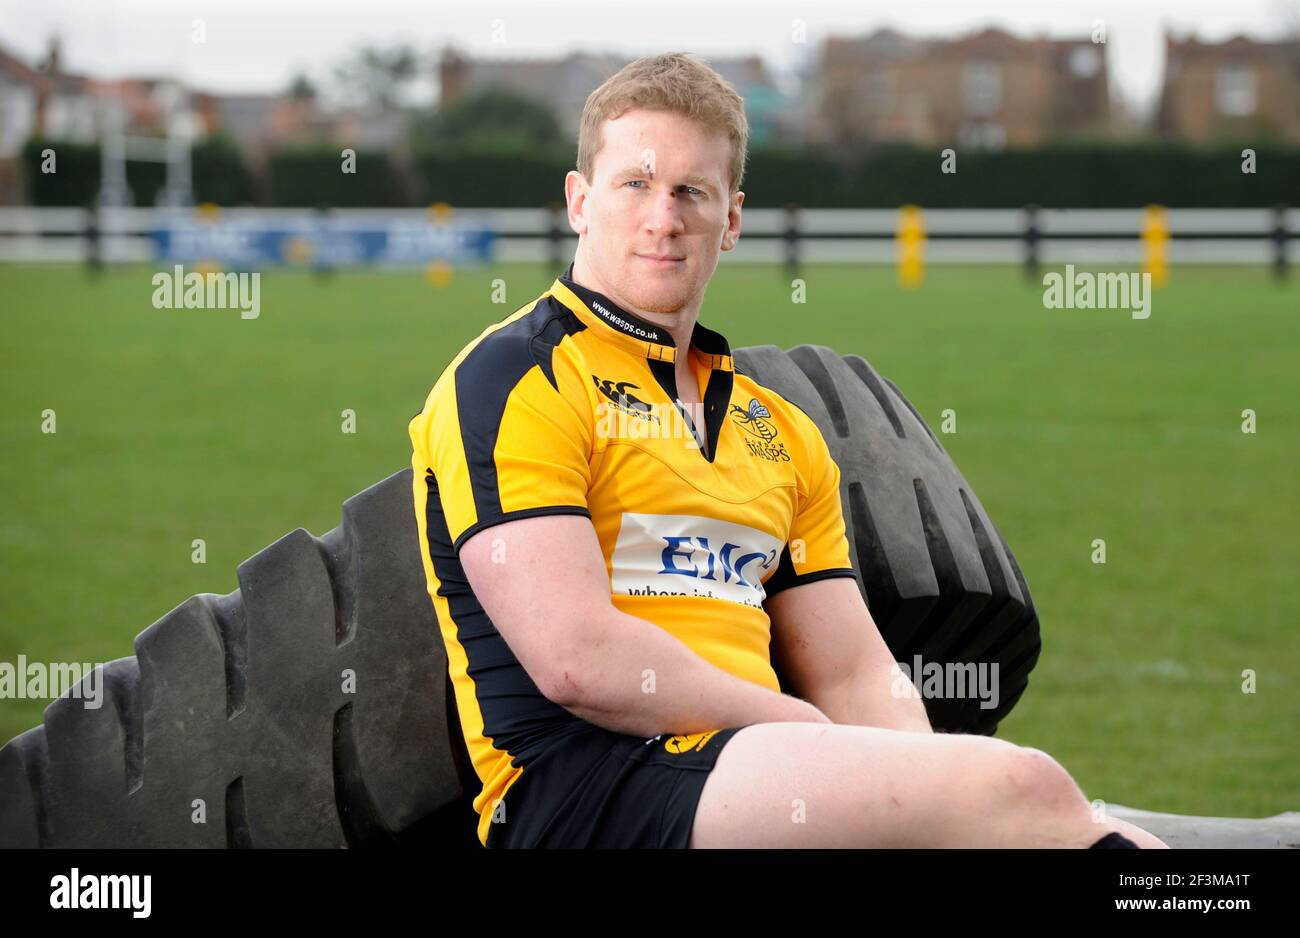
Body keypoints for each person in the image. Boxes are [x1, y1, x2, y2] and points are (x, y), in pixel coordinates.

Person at [407, 52, 1168, 849]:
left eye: (691, 191)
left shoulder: (781, 430)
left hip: (753, 773)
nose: (662, 217)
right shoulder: (513, 378)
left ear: (731, 219)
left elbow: (852, 672)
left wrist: (912, 777)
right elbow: (576, 657)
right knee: (1023, 785)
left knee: (1070, 827)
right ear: (580, 201)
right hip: (584, 790)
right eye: (635, 183)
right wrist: (800, 726)